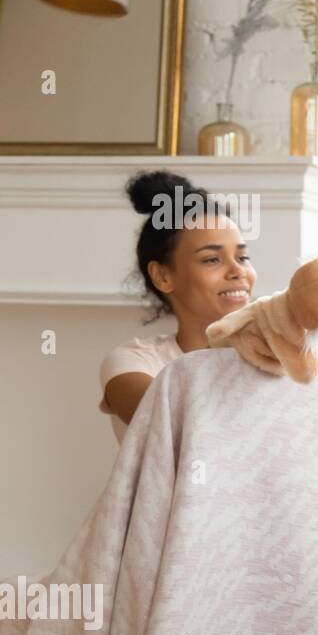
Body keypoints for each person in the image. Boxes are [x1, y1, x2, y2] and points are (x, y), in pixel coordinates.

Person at [99, 171, 257, 443]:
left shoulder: (272, 356)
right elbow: (176, 424)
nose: (237, 271)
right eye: (211, 260)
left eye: (242, 257)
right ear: (163, 276)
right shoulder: (133, 362)